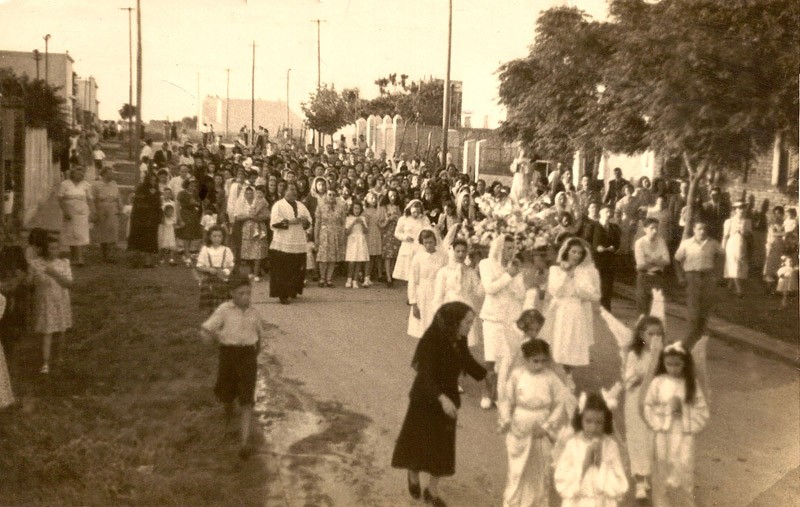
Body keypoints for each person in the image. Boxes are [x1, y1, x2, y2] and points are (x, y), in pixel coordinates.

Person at [391, 302, 487, 507]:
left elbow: (466, 360)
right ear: (454, 322)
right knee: (419, 441)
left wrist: (486, 375)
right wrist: (441, 398)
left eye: (472, 322)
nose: (470, 326)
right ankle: (413, 473)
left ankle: (432, 490)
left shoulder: (459, 338)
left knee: (442, 446)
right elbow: (425, 374)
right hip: (425, 398)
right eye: (467, 322)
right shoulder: (432, 339)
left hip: (449, 397)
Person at [200, 276, 267, 460]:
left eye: (248, 293)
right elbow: (207, 328)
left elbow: (260, 335)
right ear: (232, 294)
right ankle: (227, 416)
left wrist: (254, 353)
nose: (246, 297)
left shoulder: (254, 311)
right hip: (228, 355)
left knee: (247, 398)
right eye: (241, 293)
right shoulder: (224, 310)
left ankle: (244, 443)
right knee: (226, 392)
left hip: (247, 356)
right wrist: (210, 338)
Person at [498, 338, 566, 507]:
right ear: (525, 359)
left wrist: (547, 425)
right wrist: (506, 418)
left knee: (539, 471)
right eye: (535, 361)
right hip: (520, 427)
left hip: (541, 429)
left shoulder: (551, 378)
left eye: (543, 361)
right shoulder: (517, 376)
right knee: (517, 470)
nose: (539, 365)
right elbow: (507, 400)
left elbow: (560, 403)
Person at [644, 342, 709, 507]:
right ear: (663, 363)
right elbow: (648, 405)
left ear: (685, 364)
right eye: (669, 364)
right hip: (662, 432)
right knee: (661, 467)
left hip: (682, 432)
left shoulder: (690, 384)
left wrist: (682, 410)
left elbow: (702, 411)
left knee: (683, 466)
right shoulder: (658, 382)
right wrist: (664, 413)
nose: (673, 368)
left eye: (677, 364)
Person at [554, 392, 628, 507]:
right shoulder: (573, 444)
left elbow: (620, 485)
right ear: (580, 419)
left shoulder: (610, 446)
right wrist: (584, 465)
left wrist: (600, 464)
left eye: (599, 423)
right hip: (577, 502)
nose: (593, 428)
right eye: (588, 421)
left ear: (605, 422)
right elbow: (561, 481)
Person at [541, 238, 601, 380]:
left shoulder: (584, 272)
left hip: (575, 309)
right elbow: (555, 290)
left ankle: (568, 376)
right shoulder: (555, 269)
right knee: (557, 342)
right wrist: (567, 275)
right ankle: (555, 375)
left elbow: (592, 294)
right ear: (567, 252)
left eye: (579, 253)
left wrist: (577, 284)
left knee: (571, 344)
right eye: (573, 252)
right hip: (559, 309)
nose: (576, 255)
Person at [478, 235, 527, 409]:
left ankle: (500, 394)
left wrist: (513, 276)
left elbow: (521, 294)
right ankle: (486, 392)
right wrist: (508, 276)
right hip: (493, 317)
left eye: (513, 248)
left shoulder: (515, 266)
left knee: (507, 359)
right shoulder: (486, 264)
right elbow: (489, 289)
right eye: (507, 248)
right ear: (499, 248)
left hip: (512, 318)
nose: (511, 252)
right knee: (491, 358)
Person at [624, 316, 664, 501]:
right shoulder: (635, 354)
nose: (655, 337)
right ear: (641, 335)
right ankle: (639, 480)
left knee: (652, 440)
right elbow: (628, 380)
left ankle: (647, 475)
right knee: (637, 439)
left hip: (655, 403)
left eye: (659, 334)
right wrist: (640, 375)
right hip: (636, 402)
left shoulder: (663, 356)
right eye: (650, 333)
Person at [674, 221, 724, 349]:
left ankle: (697, 345)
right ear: (694, 230)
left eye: (704, 229)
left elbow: (722, 256)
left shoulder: (713, 243)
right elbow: (677, 260)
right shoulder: (686, 244)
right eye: (699, 229)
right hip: (692, 278)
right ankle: (686, 344)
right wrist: (680, 277)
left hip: (708, 278)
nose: (702, 231)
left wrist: (717, 275)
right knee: (693, 313)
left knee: (705, 312)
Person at [29, 233, 73, 375]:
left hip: (60, 300)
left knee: (61, 330)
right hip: (45, 302)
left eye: (57, 248)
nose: (55, 251)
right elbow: (30, 283)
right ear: (44, 249)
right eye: (51, 248)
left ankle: (59, 358)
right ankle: (45, 362)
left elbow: (69, 283)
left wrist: (53, 273)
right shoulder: (36, 264)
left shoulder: (63, 263)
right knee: (46, 331)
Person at [269, 182, 312, 304]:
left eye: (295, 190)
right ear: (285, 191)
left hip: (298, 241)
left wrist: (305, 222)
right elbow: (274, 223)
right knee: (284, 269)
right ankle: (283, 295)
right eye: (291, 189)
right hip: (283, 242)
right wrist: (290, 222)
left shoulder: (301, 205)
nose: (294, 192)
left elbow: (309, 221)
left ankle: (293, 290)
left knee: (296, 269)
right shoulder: (278, 205)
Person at [407, 230, 448, 338]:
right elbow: (412, 280)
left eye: (431, 242)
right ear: (422, 243)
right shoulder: (418, 258)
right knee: (423, 329)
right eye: (426, 243)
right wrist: (413, 303)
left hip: (438, 293)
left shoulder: (443, 257)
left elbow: (447, 277)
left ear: (435, 241)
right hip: (423, 295)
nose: (429, 245)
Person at [58, 167, 95, 266]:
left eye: (83, 173)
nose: (81, 175)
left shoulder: (86, 185)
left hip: (82, 213)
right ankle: (74, 256)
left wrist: (92, 212)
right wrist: (65, 211)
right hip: (69, 212)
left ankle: (79, 259)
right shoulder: (65, 184)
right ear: (73, 174)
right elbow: (60, 199)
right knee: (71, 234)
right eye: (79, 173)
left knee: (80, 235)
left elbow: (90, 199)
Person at [634, 218, 670, 316]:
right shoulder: (639, 243)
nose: (655, 231)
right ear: (645, 229)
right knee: (642, 310)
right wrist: (658, 261)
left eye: (656, 228)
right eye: (652, 228)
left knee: (657, 310)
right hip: (643, 277)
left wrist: (650, 260)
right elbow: (641, 265)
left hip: (657, 278)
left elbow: (667, 261)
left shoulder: (661, 241)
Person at [196, 225, 235, 312]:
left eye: (219, 236)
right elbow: (199, 266)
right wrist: (209, 269)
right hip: (209, 279)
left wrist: (226, 271)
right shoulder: (205, 249)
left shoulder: (226, 250)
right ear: (209, 237)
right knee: (211, 303)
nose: (217, 238)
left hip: (222, 278)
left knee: (223, 303)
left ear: (223, 237)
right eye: (214, 236)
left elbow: (231, 264)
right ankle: (212, 317)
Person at [393, 199, 433, 282]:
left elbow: (429, 231)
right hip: (408, 246)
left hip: (420, 246)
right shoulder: (403, 219)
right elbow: (397, 233)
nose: (416, 214)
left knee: (420, 272)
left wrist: (423, 220)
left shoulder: (424, 219)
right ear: (410, 208)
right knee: (408, 272)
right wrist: (404, 237)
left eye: (418, 211)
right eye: (414, 211)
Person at [127, 172, 162, 267]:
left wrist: (159, 216)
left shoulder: (157, 191)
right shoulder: (141, 188)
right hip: (141, 218)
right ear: (147, 180)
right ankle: (135, 262)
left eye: (155, 180)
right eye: (151, 180)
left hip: (152, 219)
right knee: (138, 239)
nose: (153, 182)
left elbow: (158, 205)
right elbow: (138, 204)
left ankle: (148, 262)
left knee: (150, 240)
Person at [235, 186, 269, 281]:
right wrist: (249, 216)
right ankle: (251, 270)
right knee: (249, 249)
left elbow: (267, 215)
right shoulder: (242, 203)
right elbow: (237, 217)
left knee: (258, 249)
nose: (249, 195)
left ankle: (256, 273)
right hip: (247, 227)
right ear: (244, 194)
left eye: (251, 193)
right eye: (247, 193)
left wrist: (258, 218)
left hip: (259, 227)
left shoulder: (260, 201)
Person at [314, 189, 346, 287]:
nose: (331, 196)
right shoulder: (320, 207)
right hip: (324, 234)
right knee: (323, 258)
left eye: (333, 195)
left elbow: (343, 222)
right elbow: (317, 223)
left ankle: (329, 279)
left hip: (335, 234)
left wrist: (342, 236)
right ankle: (322, 278)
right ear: (326, 195)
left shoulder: (340, 207)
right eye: (329, 194)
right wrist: (316, 237)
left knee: (332, 258)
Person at [592, 206, 621, 311]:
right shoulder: (593, 226)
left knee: (607, 287)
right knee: (595, 285)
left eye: (610, 212)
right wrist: (595, 248)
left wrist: (614, 247)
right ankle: (594, 308)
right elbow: (586, 241)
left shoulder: (614, 228)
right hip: (595, 261)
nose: (609, 214)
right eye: (606, 212)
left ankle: (606, 310)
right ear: (600, 213)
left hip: (609, 262)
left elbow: (618, 243)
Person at [91, 167, 123, 263]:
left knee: (113, 232)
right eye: (110, 173)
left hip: (113, 209)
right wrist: (95, 212)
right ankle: (104, 256)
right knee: (103, 233)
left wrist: (120, 208)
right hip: (102, 210)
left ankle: (112, 255)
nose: (112, 175)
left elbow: (118, 197)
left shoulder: (114, 184)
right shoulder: (96, 185)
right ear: (104, 174)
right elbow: (92, 200)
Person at [721, 201, 752, 298]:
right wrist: (722, 248)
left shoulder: (747, 221)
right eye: (739, 208)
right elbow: (725, 236)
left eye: (743, 208)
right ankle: (739, 289)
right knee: (733, 264)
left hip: (742, 244)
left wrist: (745, 233)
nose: (741, 210)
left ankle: (730, 284)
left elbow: (750, 235)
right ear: (735, 210)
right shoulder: (729, 221)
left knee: (739, 264)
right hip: (731, 244)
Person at [176, 179, 204, 266]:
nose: (193, 187)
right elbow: (177, 206)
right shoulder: (181, 193)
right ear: (186, 185)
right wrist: (179, 219)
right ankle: (187, 254)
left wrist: (196, 203)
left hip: (193, 215)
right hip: (185, 214)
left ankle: (187, 254)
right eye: (191, 185)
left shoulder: (195, 193)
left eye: (194, 186)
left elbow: (199, 204)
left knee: (191, 235)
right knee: (186, 235)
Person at [378, 190, 403, 287]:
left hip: (396, 232)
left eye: (395, 195)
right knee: (388, 256)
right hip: (387, 232)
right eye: (391, 195)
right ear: (387, 196)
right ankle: (388, 277)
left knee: (393, 255)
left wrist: (396, 219)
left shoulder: (398, 207)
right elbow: (379, 221)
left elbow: (401, 220)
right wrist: (388, 219)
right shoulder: (383, 207)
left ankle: (391, 273)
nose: (393, 197)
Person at [345, 201, 370, 289]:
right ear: (352, 208)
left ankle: (355, 280)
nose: (356, 210)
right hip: (352, 241)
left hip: (361, 240)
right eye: (355, 208)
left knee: (359, 260)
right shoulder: (348, 218)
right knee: (351, 261)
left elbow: (366, 231)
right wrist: (354, 223)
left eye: (358, 208)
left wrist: (362, 223)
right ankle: (349, 279)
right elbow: (347, 232)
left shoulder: (362, 218)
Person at [363, 192, 383, 285]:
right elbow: (365, 223)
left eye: (375, 198)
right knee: (369, 255)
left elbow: (380, 222)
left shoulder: (378, 210)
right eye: (372, 198)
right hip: (369, 233)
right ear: (367, 199)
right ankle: (367, 276)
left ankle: (376, 275)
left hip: (377, 232)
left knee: (376, 255)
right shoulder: (365, 210)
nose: (374, 200)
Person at [763, 206, 786, 287]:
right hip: (772, 246)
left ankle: (778, 286)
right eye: (775, 214)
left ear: (782, 214)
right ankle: (769, 286)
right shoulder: (772, 224)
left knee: (780, 265)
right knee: (770, 264)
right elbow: (772, 234)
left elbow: (785, 235)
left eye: (779, 213)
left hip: (781, 247)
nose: (777, 215)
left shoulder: (785, 224)